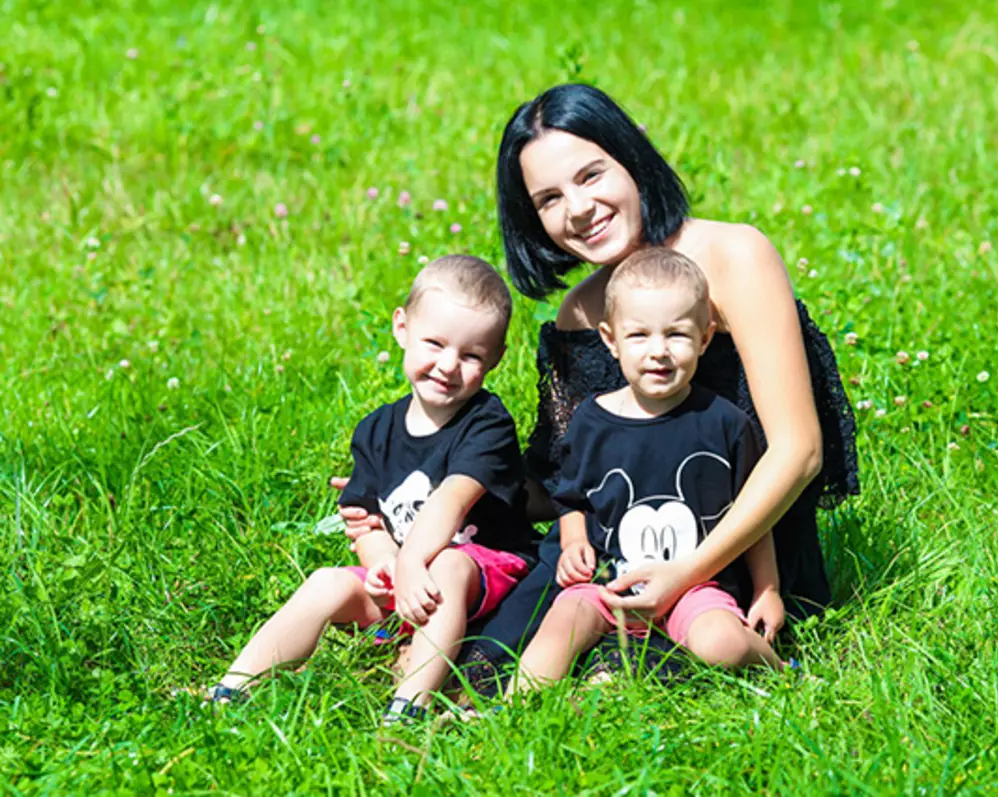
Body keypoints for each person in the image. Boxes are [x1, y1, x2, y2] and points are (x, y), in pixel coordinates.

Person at [341, 84, 858, 692]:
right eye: (550, 199)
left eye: (591, 175)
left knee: (645, 652)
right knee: (493, 652)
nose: (578, 208)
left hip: (736, 545)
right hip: (613, 548)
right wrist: (410, 472)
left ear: (631, 155)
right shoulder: (581, 315)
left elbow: (800, 452)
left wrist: (688, 573)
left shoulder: (734, 255)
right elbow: (559, 483)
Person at [212, 255, 535, 724]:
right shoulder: (376, 429)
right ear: (402, 328)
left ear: (496, 359)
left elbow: (451, 500)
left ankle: (410, 707)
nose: (448, 365)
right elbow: (365, 518)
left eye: (471, 356)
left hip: (485, 569)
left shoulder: (487, 423)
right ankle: (233, 689)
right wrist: (384, 563)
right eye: (435, 343)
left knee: (445, 564)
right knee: (327, 581)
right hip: (407, 577)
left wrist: (410, 563)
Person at [511, 248, 786, 693]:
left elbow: (754, 518)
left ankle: (784, 674)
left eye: (676, 334)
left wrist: (767, 589)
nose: (658, 352)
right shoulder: (590, 421)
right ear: (610, 339)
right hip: (609, 582)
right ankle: (514, 710)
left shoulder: (725, 423)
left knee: (722, 645)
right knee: (561, 622)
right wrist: (575, 543)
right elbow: (570, 495)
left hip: (696, 585)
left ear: (704, 338)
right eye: (638, 335)